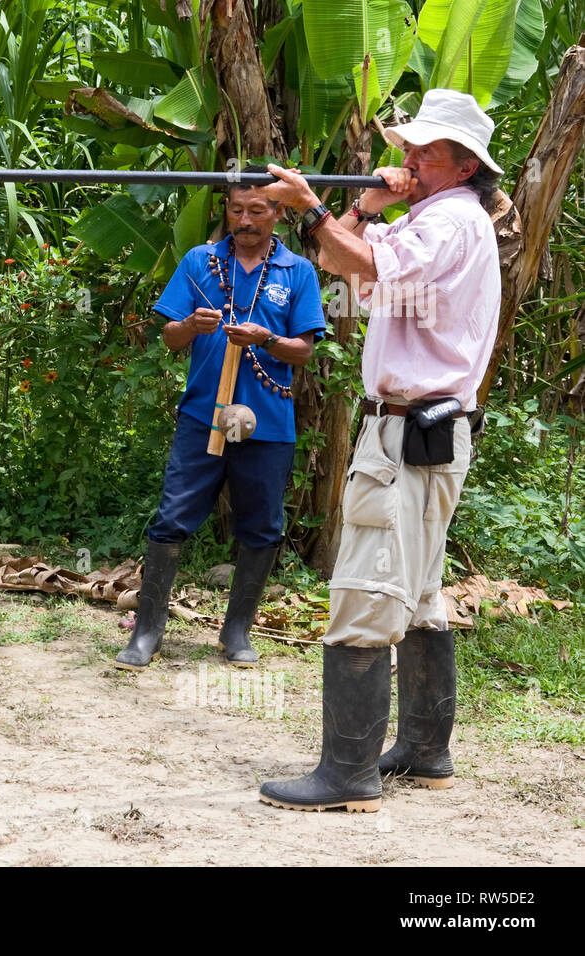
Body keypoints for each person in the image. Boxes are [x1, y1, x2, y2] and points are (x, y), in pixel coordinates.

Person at [256, 89, 502, 811]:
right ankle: (426, 753)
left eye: (427, 153)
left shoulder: (449, 222)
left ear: (464, 167)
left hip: (406, 435)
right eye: (408, 149)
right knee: (419, 596)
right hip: (420, 432)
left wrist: (310, 208)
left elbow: (345, 255)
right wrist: (361, 207)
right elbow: (353, 270)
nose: (410, 160)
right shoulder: (436, 220)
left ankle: (348, 775)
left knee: (364, 593)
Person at [114, 165, 325, 671]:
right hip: (203, 416)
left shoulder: (297, 272)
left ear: (277, 213)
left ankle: (236, 632)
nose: (245, 219)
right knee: (171, 519)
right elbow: (169, 338)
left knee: (262, 526)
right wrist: (189, 324)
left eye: (257, 210)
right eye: (236, 209)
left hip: (267, 421)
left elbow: (303, 352)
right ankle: (147, 633)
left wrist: (266, 339)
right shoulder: (200, 261)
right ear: (226, 211)